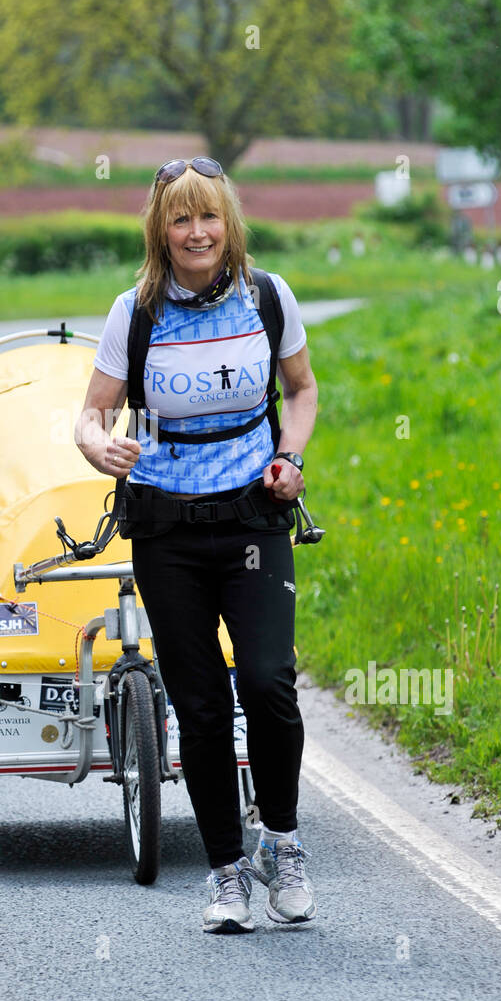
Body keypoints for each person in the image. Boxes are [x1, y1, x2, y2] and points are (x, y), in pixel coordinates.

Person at [74, 157, 319, 932]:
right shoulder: (135, 311)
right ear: (161, 230)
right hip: (167, 530)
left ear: (227, 222)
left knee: (270, 685)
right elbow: (90, 414)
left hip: (252, 518)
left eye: (207, 216)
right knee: (202, 708)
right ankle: (224, 874)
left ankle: (279, 839)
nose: (196, 232)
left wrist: (291, 457)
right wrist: (97, 447)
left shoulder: (267, 295)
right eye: (179, 219)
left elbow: (303, 388)